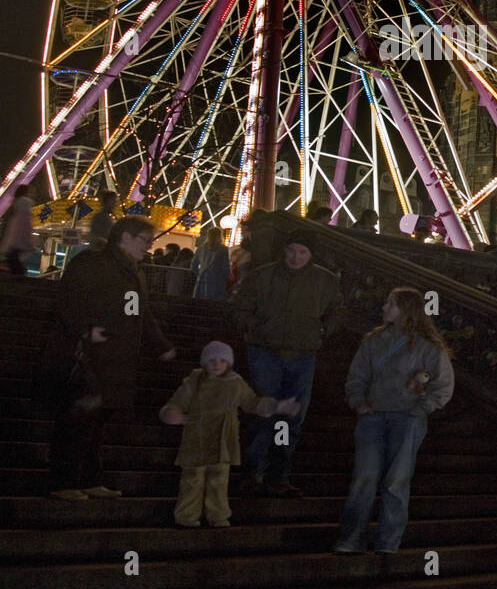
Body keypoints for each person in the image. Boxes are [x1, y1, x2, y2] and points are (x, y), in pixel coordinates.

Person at [46, 216, 176, 501]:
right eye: (145, 240)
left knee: (97, 422)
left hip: (116, 359)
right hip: (89, 357)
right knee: (79, 419)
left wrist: (160, 345)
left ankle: (90, 479)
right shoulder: (93, 263)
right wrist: (87, 331)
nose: (149, 246)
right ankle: (63, 481)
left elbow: (141, 315)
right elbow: (69, 300)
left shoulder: (131, 273)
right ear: (125, 237)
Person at [334, 287, 454, 554]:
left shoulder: (427, 348)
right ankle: (352, 539)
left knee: (395, 481)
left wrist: (422, 408)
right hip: (374, 416)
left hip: (406, 418)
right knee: (365, 478)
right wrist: (358, 402)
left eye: (391, 304)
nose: (384, 307)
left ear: (406, 310)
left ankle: (386, 542)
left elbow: (443, 383)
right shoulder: (374, 342)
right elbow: (357, 375)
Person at [231, 228, 344, 496]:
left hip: (302, 354)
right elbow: (241, 307)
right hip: (266, 351)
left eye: (302, 252)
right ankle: (255, 470)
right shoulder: (262, 276)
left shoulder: (324, 281)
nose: (295, 257)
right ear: (284, 250)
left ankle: (276, 472)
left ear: (311, 254)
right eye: (292, 251)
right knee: (265, 411)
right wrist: (252, 329)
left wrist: (322, 331)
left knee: (288, 417)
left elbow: (337, 311)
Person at [159, 341, 300, 528]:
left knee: (219, 480)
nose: (216, 364)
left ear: (229, 363)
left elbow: (253, 403)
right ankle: (186, 515)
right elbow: (177, 401)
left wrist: (276, 406)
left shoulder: (236, 383)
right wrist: (171, 412)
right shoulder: (195, 380)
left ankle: (218, 515)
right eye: (212, 360)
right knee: (192, 478)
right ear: (204, 362)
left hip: (223, 441)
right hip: (197, 437)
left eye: (222, 360)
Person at [1, 184, 35, 275]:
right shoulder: (25, 207)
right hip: (18, 241)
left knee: (13, 261)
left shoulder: (15, 208)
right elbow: (26, 227)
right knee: (16, 263)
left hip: (13, 241)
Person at [191, 228, 230, 301]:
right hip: (217, 279)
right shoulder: (223, 249)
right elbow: (226, 267)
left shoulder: (201, 248)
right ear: (219, 236)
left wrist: (199, 274)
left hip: (202, 278)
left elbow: (193, 265)